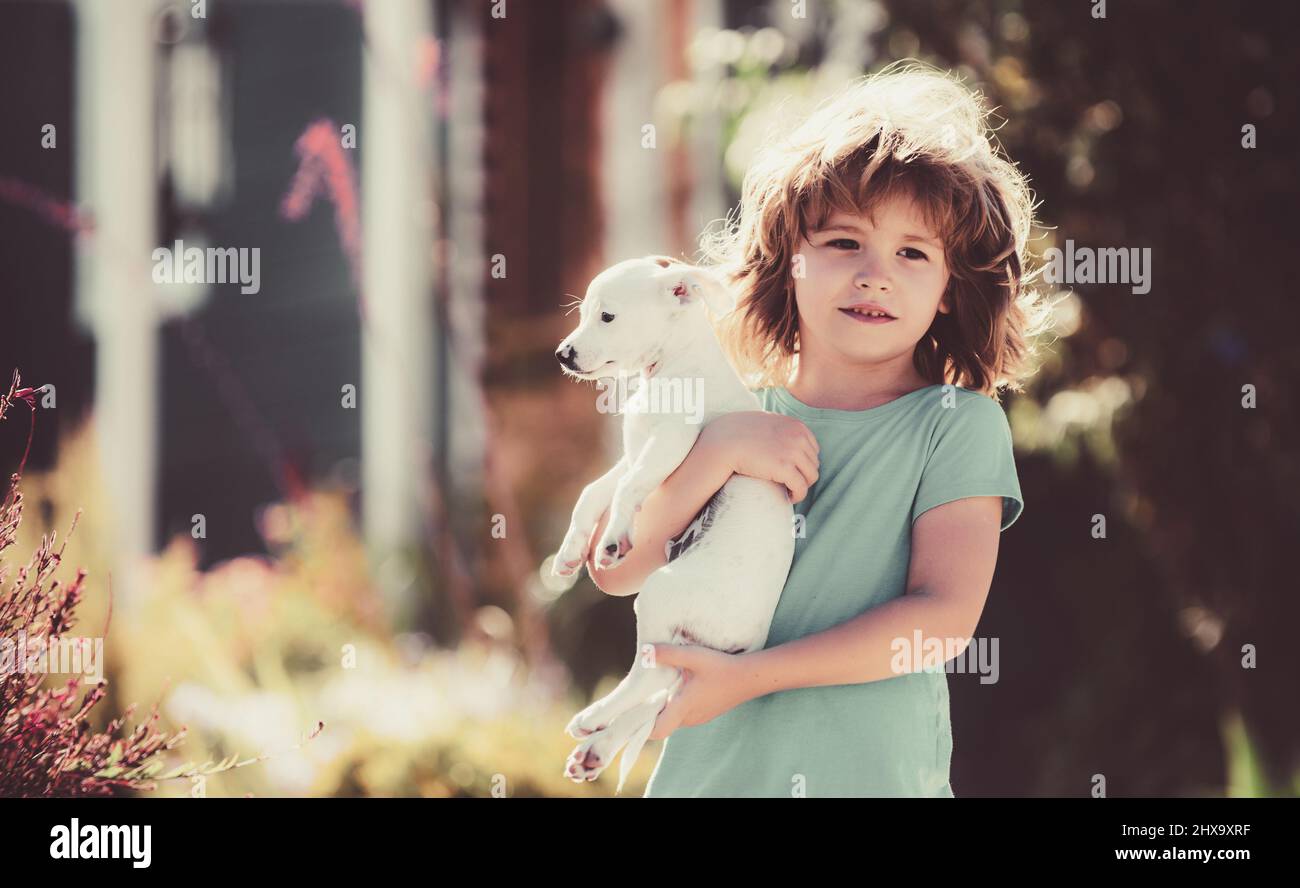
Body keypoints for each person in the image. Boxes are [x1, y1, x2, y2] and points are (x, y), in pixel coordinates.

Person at [585, 61, 1054, 797]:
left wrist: (747, 679)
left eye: (912, 252)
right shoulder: (726, 415)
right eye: (843, 243)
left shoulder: (957, 427)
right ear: (788, 263)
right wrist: (719, 452)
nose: (875, 275)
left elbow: (943, 620)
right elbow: (618, 569)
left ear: (948, 290)